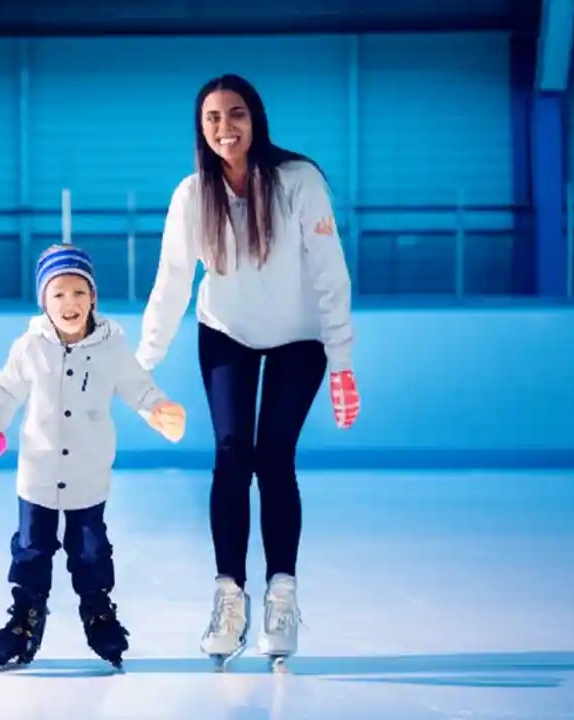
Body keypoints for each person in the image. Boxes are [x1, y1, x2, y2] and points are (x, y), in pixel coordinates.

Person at [135, 73, 360, 671]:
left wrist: (341, 359)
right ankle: (229, 595)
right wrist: (141, 365)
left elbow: (329, 271)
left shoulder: (299, 181)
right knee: (232, 452)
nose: (224, 128)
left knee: (274, 457)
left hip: (300, 337)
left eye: (235, 114)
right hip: (226, 333)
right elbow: (172, 282)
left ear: (255, 119)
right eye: (212, 118)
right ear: (200, 128)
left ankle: (281, 594)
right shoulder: (191, 196)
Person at [0, 244, 187, 670]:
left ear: (92, 297)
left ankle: (98, 611)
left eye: (78, 292)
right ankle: (25, 617)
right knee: (32, 549)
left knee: (90, 550)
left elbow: (137, 387)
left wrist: (158, 410)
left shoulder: (111, 346)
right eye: (58, 294)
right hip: (37, 474)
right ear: (44, 301)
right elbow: (4, 391)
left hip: (88, 475)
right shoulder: (30, 345)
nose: (69, 303)